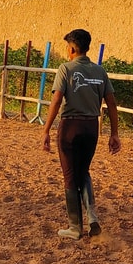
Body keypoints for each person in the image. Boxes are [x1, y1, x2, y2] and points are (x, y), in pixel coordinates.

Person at [41, 29, 121, 240]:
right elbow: (111, 103)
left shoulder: (65, 69)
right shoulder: (99, 72)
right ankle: (92, 217)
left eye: (68, 47)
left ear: (73, 48)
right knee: (83, 171)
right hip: (91, 128)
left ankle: (75, 227)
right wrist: (114, 133)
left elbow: (57, 100)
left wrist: (46, 129)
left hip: (70, 127)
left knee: (69, 177)